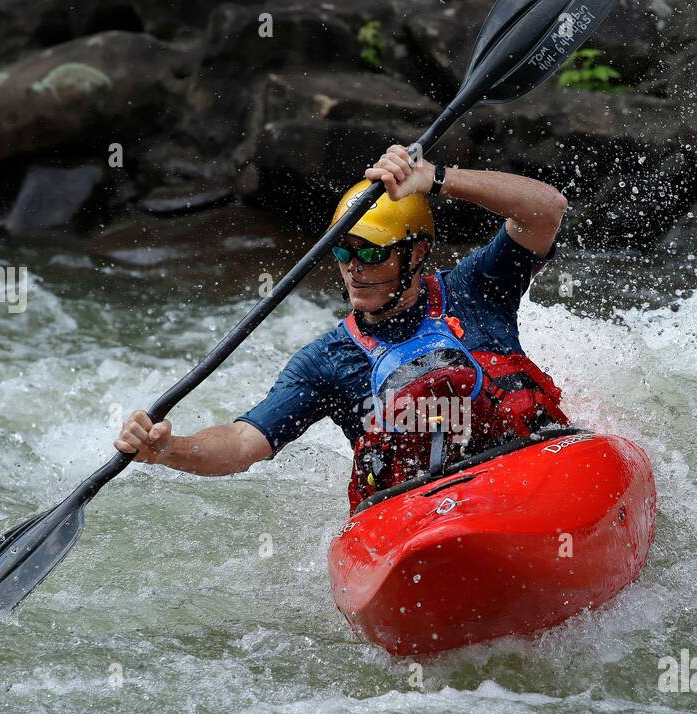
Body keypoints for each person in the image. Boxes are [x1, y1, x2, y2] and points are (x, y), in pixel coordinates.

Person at [114, 144, 570, 510]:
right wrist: (168, 450)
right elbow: (241, 443)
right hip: (419, 514)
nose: (354, 267)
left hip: (528, 476)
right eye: (342, 252)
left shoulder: (476, 290)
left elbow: (546, 209)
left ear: (414, 253)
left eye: (370, 252)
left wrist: (436, 178)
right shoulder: (328, 360)